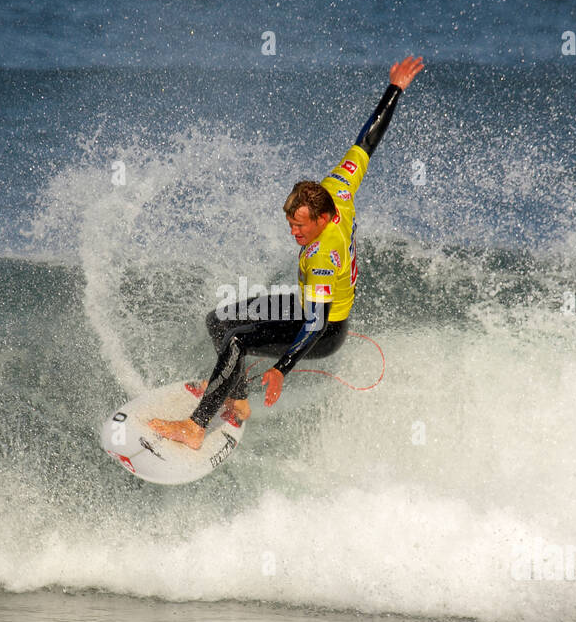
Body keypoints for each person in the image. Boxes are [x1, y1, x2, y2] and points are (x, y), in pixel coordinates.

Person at [150, 55, 425, 448]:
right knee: (219, 321)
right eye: (290, 223)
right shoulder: (339, 186)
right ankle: (238, 401)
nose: (294, 232)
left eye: (300, 226)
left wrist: (281, 368)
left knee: (238, 341)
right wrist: (394, 89)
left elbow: (314, 326)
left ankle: (194, 429)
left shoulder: (321, 256)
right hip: (307, 306)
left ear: (323, 219)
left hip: (325, 328)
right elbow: (368, 140)